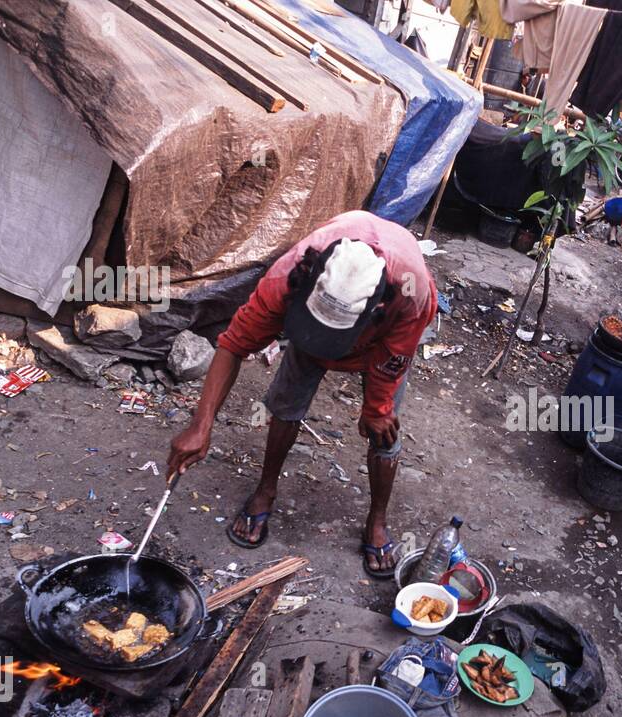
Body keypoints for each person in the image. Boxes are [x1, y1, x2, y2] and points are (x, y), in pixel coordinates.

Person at [165, 211, 436, 578]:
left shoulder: (411, 294)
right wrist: (202, 423)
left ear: (378, 309)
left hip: (381, 345)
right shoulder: (285, 278)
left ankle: (377, 518)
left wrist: (376, 408)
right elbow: (233, 345)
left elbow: (394, 360)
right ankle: (265, 490)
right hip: (307, 337)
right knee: (286, 404)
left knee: (384, 429)